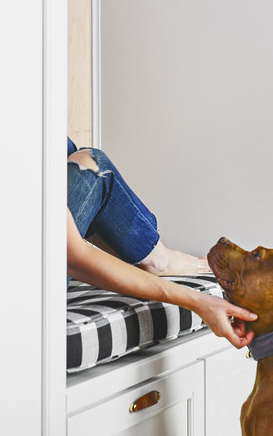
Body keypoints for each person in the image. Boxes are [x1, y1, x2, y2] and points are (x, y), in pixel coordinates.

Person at [67, 138, 256, 349]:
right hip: (34, 284)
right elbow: (73, 257)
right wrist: (199, 301)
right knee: (93, 161)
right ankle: (159, 260)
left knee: (64, 148)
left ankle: (152, 257)